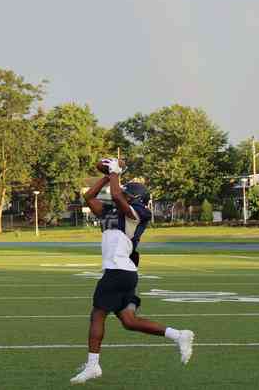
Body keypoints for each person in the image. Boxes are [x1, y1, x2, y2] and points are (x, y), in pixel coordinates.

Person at [70, 159, 195, 385]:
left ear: (136, 199)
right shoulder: (112, 211)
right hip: (124, 273)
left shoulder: (140, 212)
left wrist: (116, 173)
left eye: (128, 194)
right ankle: (179, 335)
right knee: (128, 320)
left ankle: (93, 366)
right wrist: (108, 177)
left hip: (118, 271)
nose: (123, 195)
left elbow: (118, 196)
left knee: (97, 314)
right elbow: (88, 198)